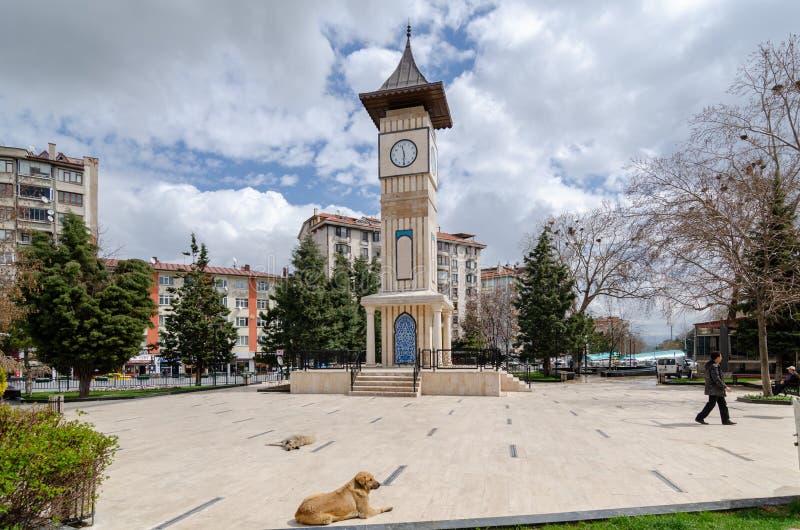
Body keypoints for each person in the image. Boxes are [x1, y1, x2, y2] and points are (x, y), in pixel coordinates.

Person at [695, 352, 736, 425]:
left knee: (722, 404)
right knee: (712, 404)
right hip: (715, 389)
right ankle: (699, 417)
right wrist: (725, 387)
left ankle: (725, 420)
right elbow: (716, 379)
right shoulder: (714, 366)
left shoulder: (711, 365)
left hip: (715, 389)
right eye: (720, 356)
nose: (721, 358)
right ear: (717, 358)